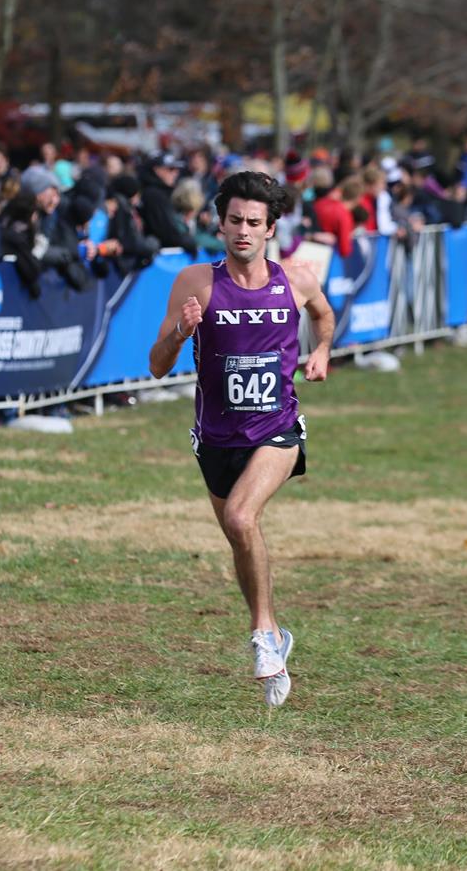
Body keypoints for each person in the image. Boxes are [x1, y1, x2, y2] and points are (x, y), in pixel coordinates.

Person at [147, 170, 335, 708]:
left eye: (254, 222)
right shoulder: (194, 283)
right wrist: (182, 332)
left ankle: (261, 637)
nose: (243, 231)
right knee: (240, 539)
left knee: (239, 518)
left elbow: (324, 316)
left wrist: (321, 351)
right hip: (215, 436)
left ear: (271, 228)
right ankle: (275, 635)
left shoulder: (296, 279)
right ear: (220, 223)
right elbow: (157, 366)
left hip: (276, 430)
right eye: (234, 221)